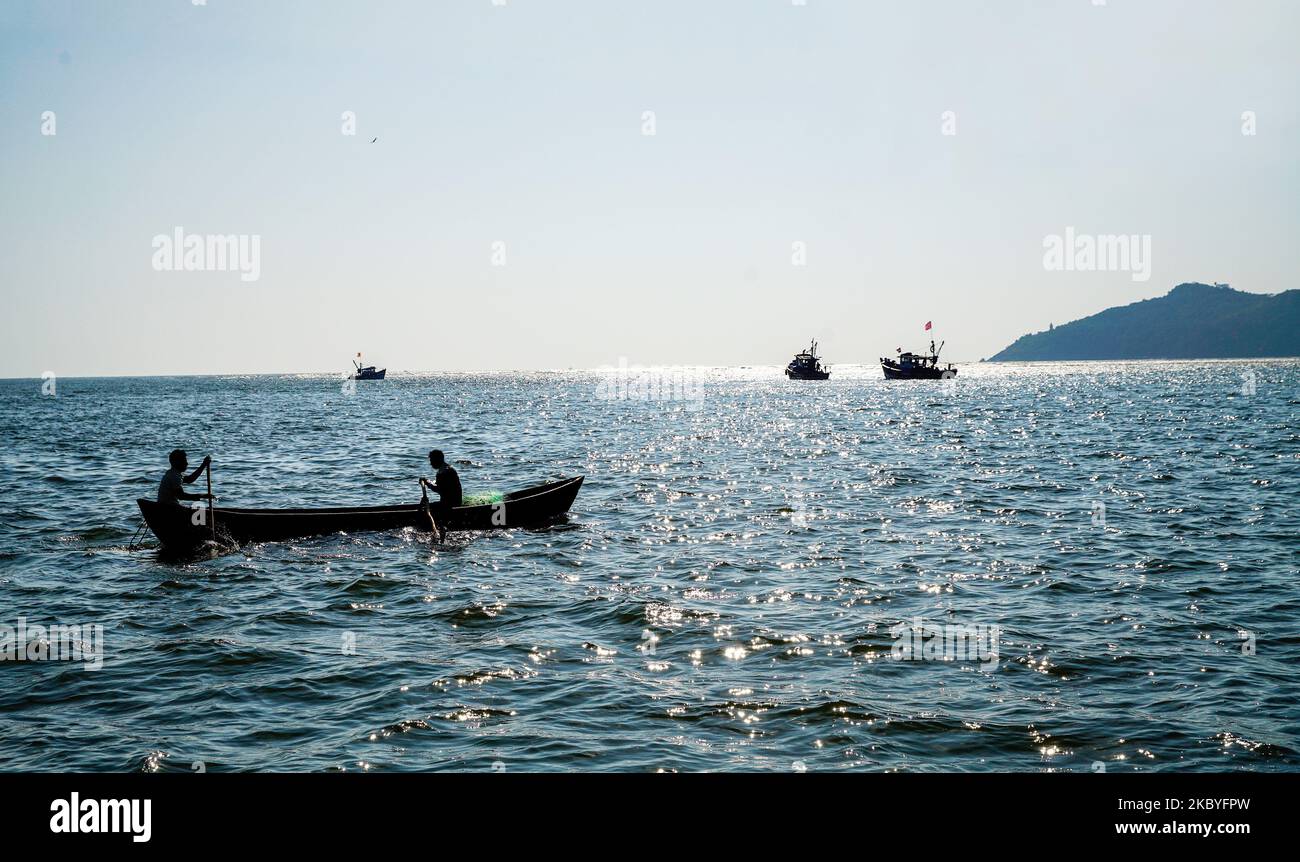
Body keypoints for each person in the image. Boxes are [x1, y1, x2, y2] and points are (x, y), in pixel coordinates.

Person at [419, 449, 461, 543]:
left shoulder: (444, 472)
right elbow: (440, 485)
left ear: (438, 459)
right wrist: (428, 481)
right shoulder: (447, 469)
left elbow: (439, 489)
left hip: (450, 505)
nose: (431, 464)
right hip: (453, 502)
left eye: (432, 461)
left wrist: (427, 483)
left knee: (426, 509)